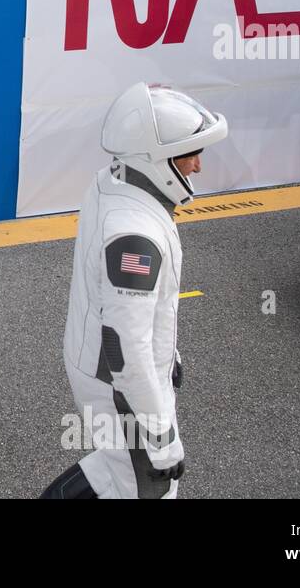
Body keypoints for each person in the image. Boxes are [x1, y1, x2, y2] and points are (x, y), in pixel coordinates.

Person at [41, 82, 227, 499]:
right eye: (189, 153)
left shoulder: (115, 180)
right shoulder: (134, 233)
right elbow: (124, 347)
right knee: (150, 487)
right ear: (155, 159)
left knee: (116, 464)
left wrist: (168, 352)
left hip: (100, 368)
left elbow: (129, 314)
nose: (197, 164)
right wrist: (162, 437)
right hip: (119, 386)